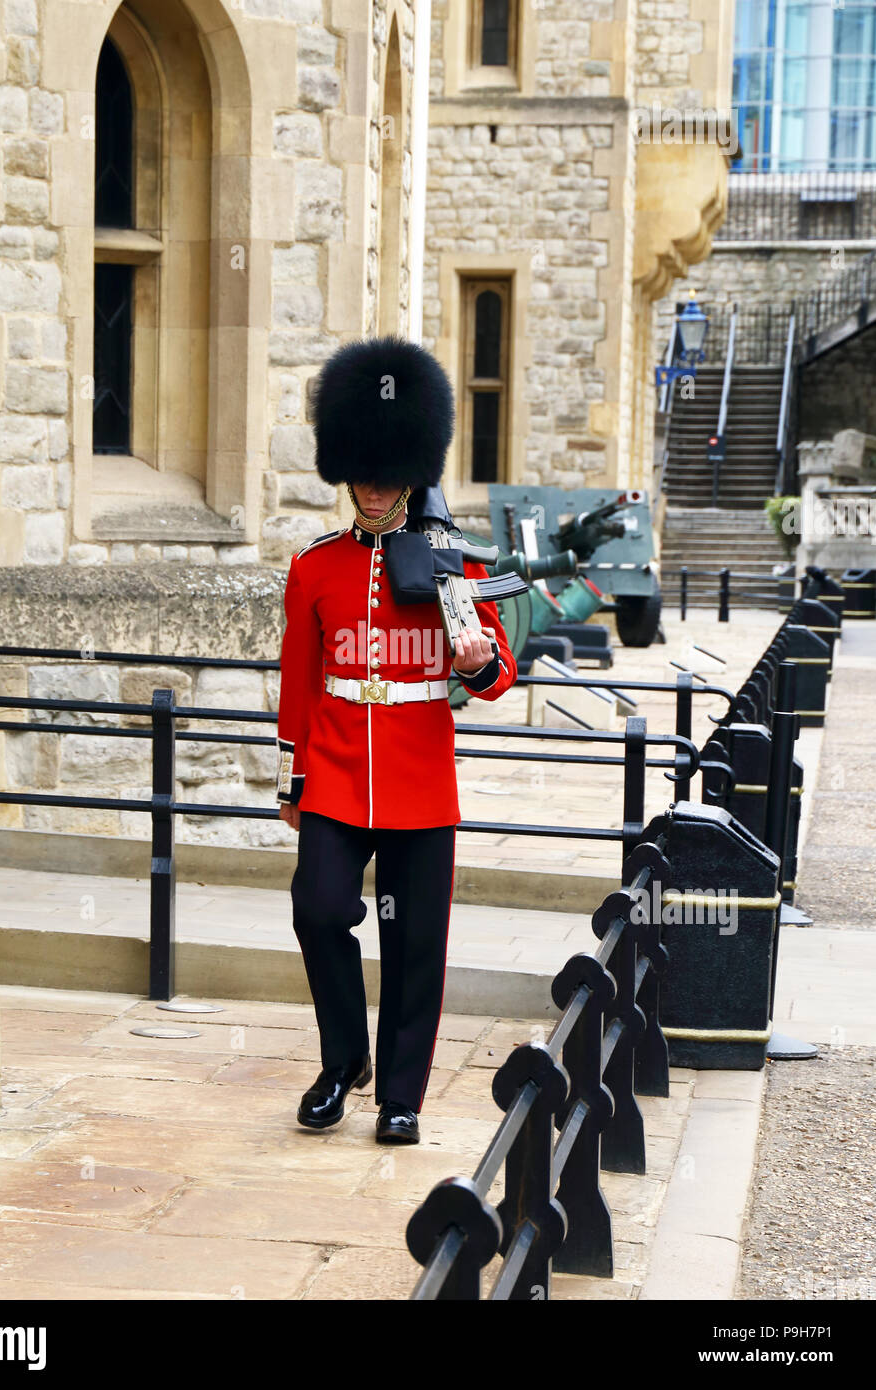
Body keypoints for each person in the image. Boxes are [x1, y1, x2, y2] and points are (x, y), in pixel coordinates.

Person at [275, 334, 517, 1144]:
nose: (372, 490)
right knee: (317, 911)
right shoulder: (315, 568)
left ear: (413, 472)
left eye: (386, 476)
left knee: (415, 945)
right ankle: (344, 1060)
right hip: (338, 771)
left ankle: (401, 1096)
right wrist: (292, 778)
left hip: (419, 777)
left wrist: (476, 662)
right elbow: (301, 681)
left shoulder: (449, 566)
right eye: (360, 475)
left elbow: (499, 672)